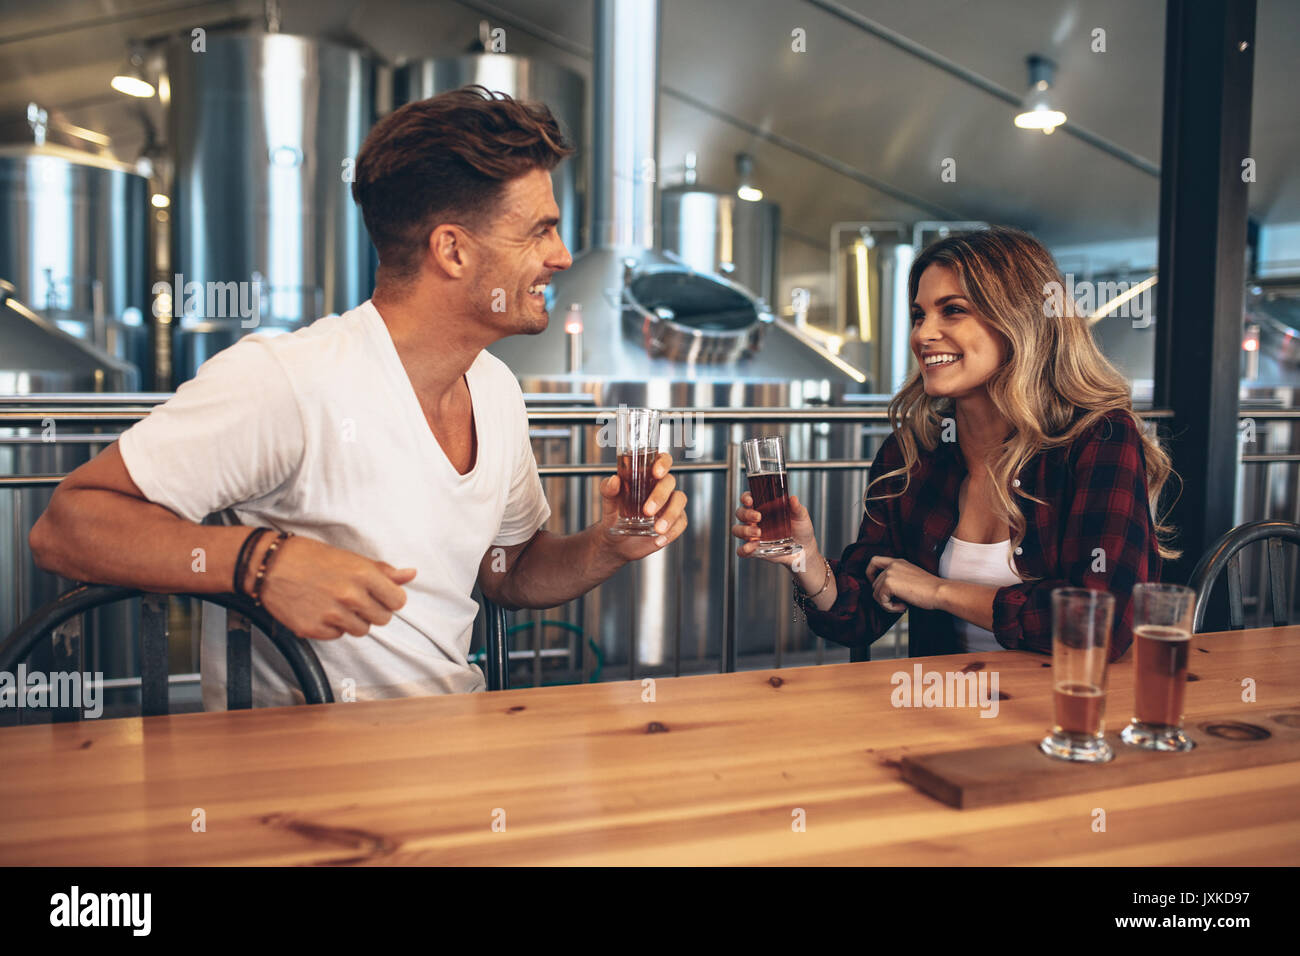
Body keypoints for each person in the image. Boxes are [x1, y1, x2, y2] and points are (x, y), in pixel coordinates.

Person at [29, 85, 687, 708]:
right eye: (538, 231)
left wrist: (607, 545)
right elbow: (67, 525)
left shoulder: (495, 388)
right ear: (452, 251)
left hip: (456, 748)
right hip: (305, 781)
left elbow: (506, 572)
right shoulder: (289, 379)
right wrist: (263, 563)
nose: (563, 256)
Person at [733, 226, 1178, 661]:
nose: (923, 334)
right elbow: (857, 620)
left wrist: (940, 591)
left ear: (1019, 320)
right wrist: (807, 560)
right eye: (919, 315)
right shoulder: (914, 453)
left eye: (953, 310)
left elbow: (1104, 623)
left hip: (1071, 717)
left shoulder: (1098, 440)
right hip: (948, 711)